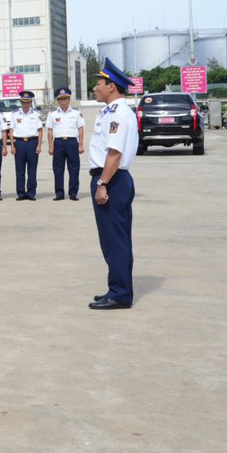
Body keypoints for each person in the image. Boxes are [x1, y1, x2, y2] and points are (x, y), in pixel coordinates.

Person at [87, 59, 139, 310]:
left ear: (111, 86)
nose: (95, 87)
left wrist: (102, 183)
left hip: (112, 180)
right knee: (113, 239)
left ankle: (120, 294)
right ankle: (116, 288)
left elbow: (115, 154)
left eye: (98, 83)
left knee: (115, 240)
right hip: (111, 178)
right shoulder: (109, 111)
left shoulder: (118, 113)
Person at [46, 86, 85, 200]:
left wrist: (81, 144)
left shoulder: (76, 113)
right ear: (58, 101)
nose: (63, 101)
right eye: (61, 99)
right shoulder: (52, 114)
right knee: (58, 169)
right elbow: (50, 131)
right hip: (58, 143)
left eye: (65, 98)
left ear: (69, 99)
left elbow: (81, 129)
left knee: (74, 168)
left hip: (72, 142)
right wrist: (50, 146)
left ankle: (73, 193)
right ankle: (59, 193)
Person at [10, 90, 43, 200]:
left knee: (32, 170)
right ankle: (21, 193)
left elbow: (40, 130)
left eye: (27, 102)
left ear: (30, 103)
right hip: (19, 143)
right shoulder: (15, 114)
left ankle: (31, 193)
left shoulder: (36, 114)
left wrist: (39, 145)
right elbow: (11, 130)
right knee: (20, 170)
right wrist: (13, 146)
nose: (25, 104)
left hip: (32, 143)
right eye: (23, 102)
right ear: (20, 102)